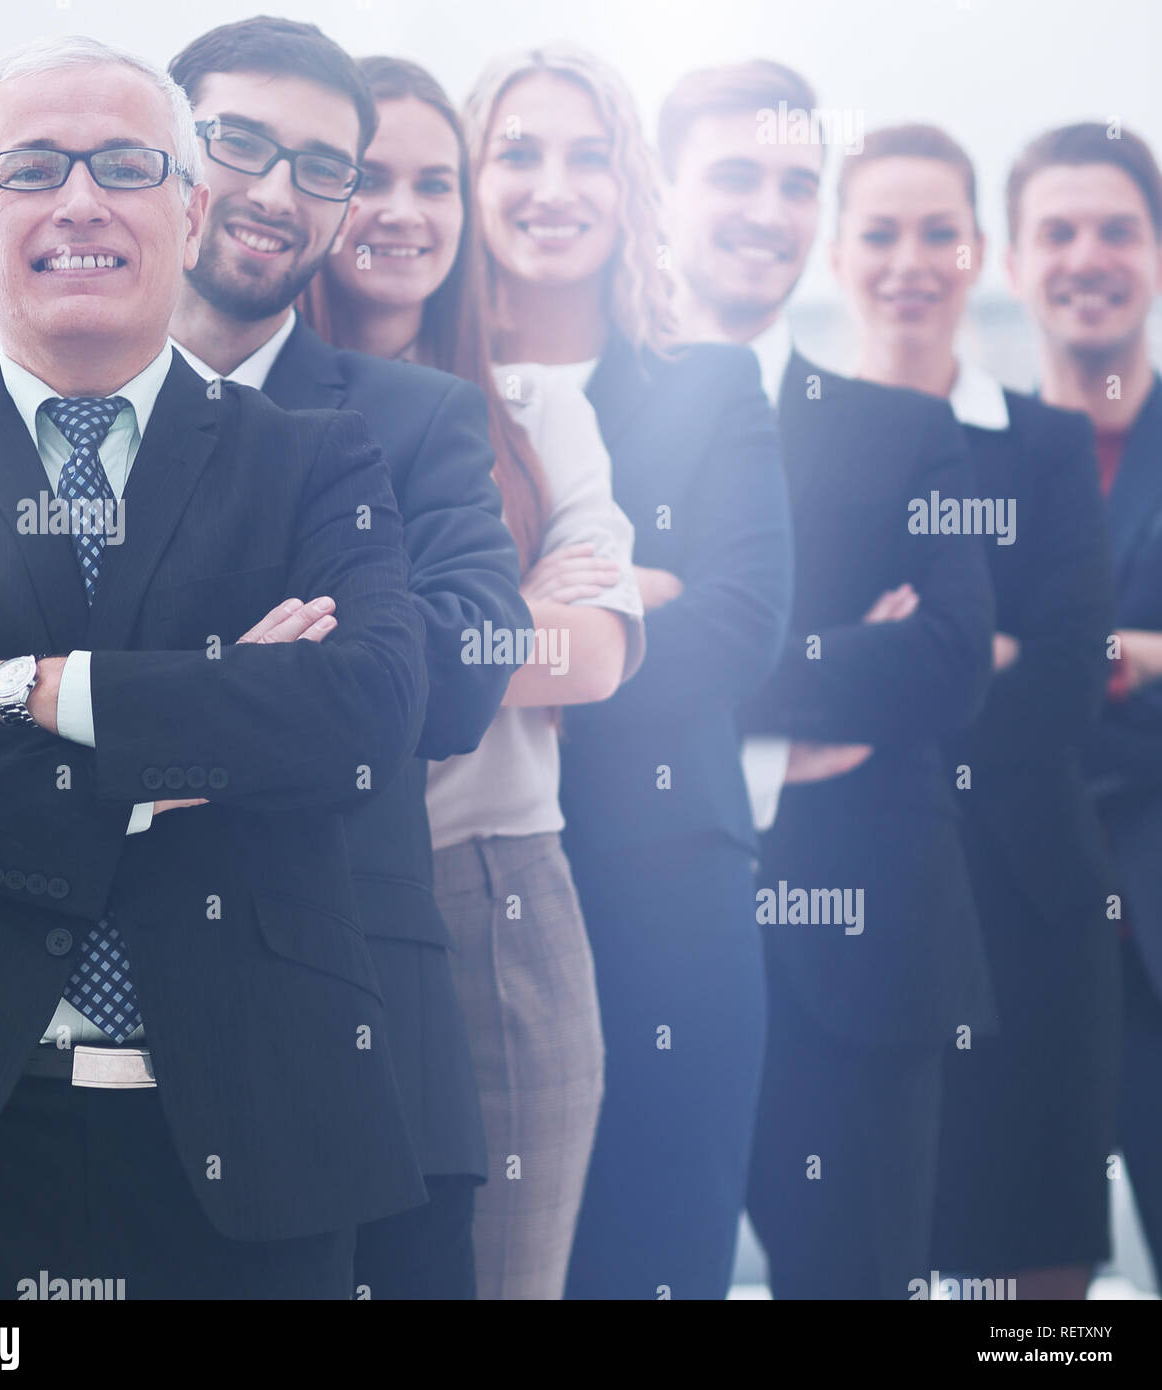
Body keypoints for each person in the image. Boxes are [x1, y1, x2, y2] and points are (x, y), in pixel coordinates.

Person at [0, 34, 429, 1300]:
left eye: (125, 165)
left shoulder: (314, 461)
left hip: (256, 1154)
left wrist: (19, 688)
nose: (80, 200)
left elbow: (365, 712)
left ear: (187, 213)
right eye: (32, 168)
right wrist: (184, 741)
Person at [164, 21, 530, 1300]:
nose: (276, 190)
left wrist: (133, 694)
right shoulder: (29, 409)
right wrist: (262, 675)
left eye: (323, 165)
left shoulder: (416, 419)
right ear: (164, 151)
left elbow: (465, 669)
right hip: (64, 1062)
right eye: (238, 142)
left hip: (357, 1048)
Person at [460, 46, 794, 1300]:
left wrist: (513, 640)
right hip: (460, 883)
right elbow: (384, 631)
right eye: (519, 153)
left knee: (656, 1250)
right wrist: (618, 602)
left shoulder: (709, 385)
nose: (556, 185)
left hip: (665, 890)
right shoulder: (420, 388)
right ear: (469, 177)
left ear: (631, 184)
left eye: (589, 153)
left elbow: (742, 626)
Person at [315, 48, 648, 1300]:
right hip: (285, 887)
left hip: (492, 897)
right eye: (367, 178)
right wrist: (494, 621)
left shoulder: (538, 408)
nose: (405, 212)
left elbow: (598, 654)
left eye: (436, 182)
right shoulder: (246, 407)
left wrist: (349, 642)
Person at [660, 61, 996, 1298]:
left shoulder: (904, 427)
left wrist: (701, 664)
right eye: (736, 175)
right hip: (632, 946)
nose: (769, 209)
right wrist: (785, 710)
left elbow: (949, 660)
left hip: (859, 967)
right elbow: (572, 666)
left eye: (798, 183)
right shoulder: (593, 418)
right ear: (662, 190)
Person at [831, 123, 1118, 1299]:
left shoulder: (1044, 441)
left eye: (938, 230)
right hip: (851, 901)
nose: (910, 259)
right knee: (868, 1244)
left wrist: (900, 656)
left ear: (978, 251)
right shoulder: (791, 433)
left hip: (1029, 910)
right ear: (836, 253)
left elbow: (1061, 679)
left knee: (1033, 1265)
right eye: (880, 232)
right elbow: (773, 665)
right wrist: (965, 650)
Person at [1008, 120, 1162, 1288]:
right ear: (1013, 263)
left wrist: (1108, 654)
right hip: (1015, 933)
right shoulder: (965, 456)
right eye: (1054, 230)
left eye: (1116, 227)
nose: (1086, 255)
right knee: (1027, 1294)